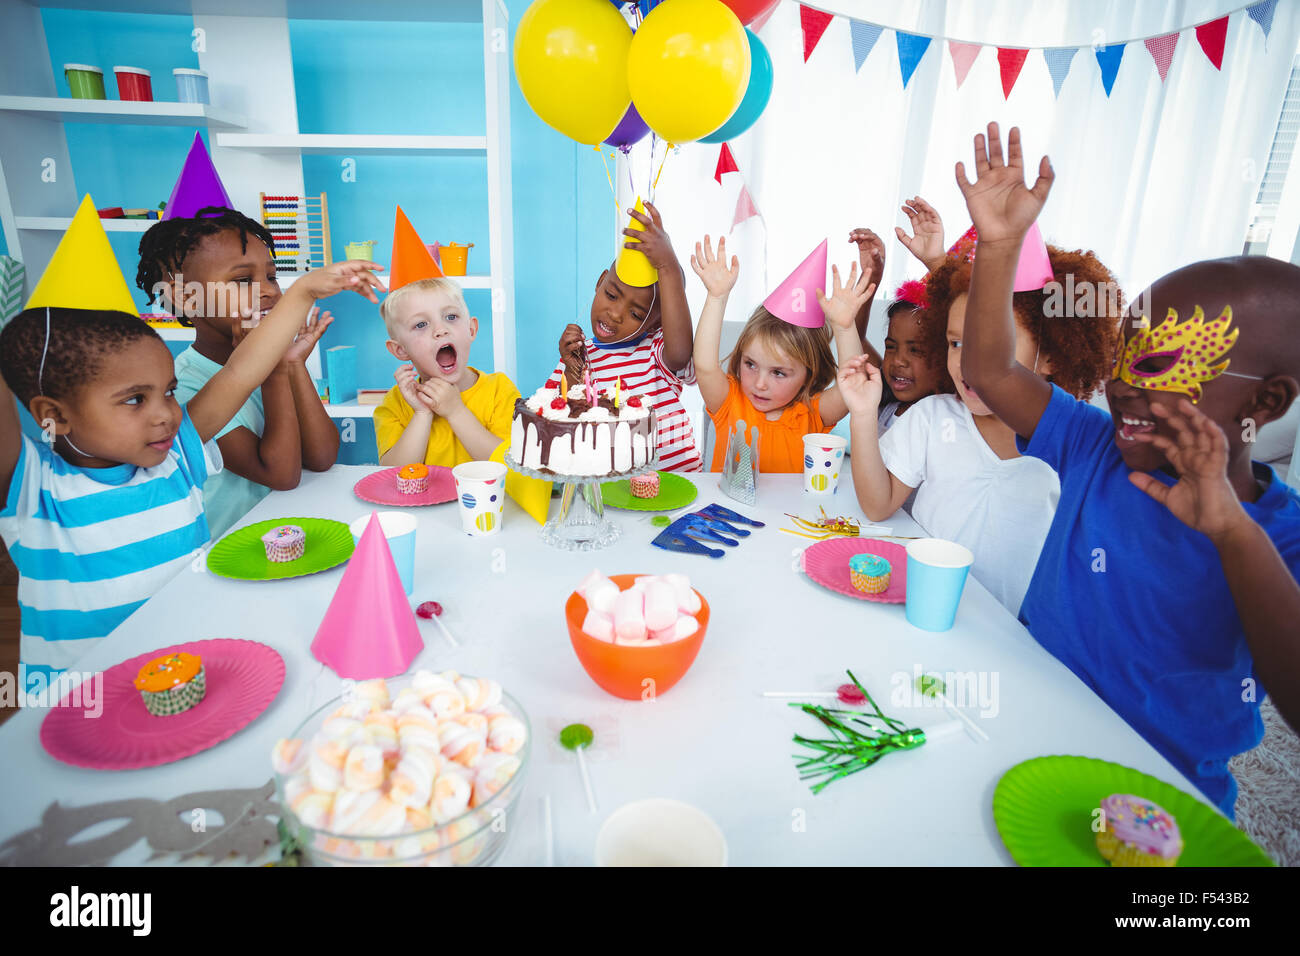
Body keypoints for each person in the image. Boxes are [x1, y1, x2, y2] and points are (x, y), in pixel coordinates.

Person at [956, 121, 1300, 814]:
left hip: (1158, 796)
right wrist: (998, 247)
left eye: (1160, 368)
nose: (1122, 387)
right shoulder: (1092, 445)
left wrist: (1233, 534)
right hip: (1024, 737)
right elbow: (990, 370)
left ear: (1264, 401)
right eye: (1122, 360)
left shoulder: (1277, 535)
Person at [0, 205, 382, 688]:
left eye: (168, 390)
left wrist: (305, 288)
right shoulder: (34, 491)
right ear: (51, 415)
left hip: (189, 661)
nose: (166, 411)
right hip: (84, 696)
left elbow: (244, 371)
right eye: (135, 400)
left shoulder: (177, 455)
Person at [137, 207, 340, 536]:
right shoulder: (186, 385)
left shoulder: (282, 361)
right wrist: (275, 371)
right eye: (243, 280)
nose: (269, 291)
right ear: (188, 299)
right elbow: (280, 474)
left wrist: (291, 364)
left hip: (289, 533)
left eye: (271, 276)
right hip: (229, 547)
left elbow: (322, 456)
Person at [691, 234, 874, 473]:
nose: (760, 383)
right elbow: (704, 366)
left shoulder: (812, 413)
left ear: (809, 375)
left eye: (778, 372)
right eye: (751, 364)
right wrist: (716, 297)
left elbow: (854, 385)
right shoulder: (729, 401)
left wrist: (845, 328)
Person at [555, 201, 701, 471]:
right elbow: (564, 418)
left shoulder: (657, 352)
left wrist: (667, 266)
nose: (616, 314)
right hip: (613, 489)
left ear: (656, 323)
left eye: (636, 314)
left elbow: (681, 356)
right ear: (600, 283)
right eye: (611, 295)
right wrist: (572, 365)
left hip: (679, 484)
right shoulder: (576, 355)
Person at [375, 276, 520, 467]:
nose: (440, 329)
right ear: (400, 350)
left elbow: (510, 465)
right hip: (424, 499)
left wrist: (455, 411)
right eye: (421, 324)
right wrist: (422, 414)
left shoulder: (499, 390)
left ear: (471, 329)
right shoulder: (395, 403)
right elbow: (394, 473)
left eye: (451, 317)